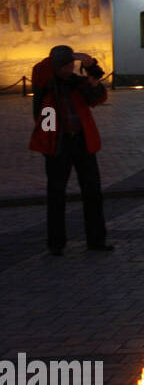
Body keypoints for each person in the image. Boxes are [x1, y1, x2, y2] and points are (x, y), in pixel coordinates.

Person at [29, 44, 111, 255]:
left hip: (82, 143)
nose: (71, 67)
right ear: (57, 64)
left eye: (72, 64)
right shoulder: (46, 82)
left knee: (92, 193)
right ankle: (56, 243)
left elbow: (99, 97)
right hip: (56, 145)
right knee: (56, 195)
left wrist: (92, 71)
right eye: (66, 64)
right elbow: (42, 70)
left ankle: (96, 240)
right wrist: (73, 54)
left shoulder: (77, 83)